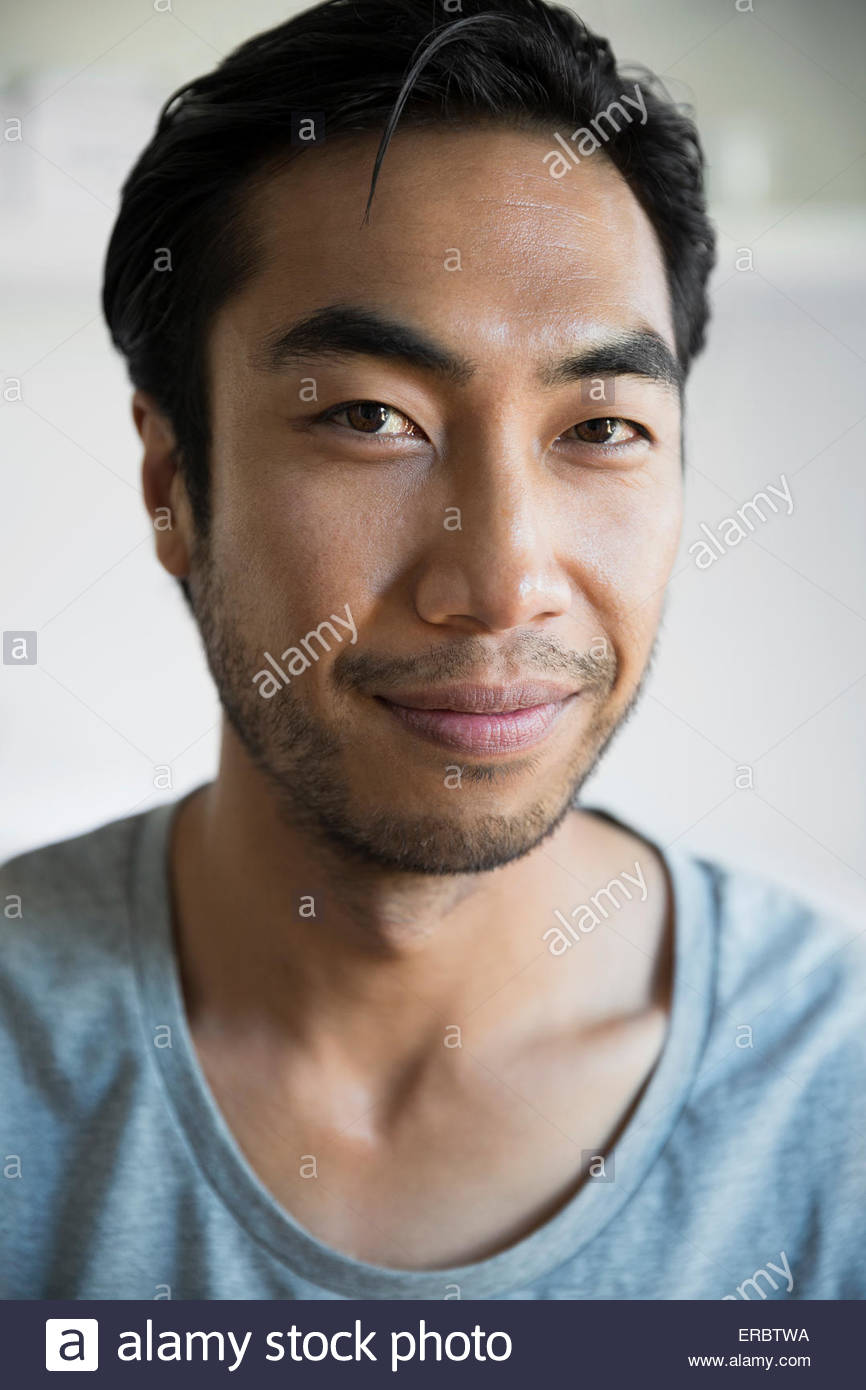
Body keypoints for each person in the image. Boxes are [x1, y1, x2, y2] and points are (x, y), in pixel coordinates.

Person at [1, 0, 863, 1301]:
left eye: (601, 426)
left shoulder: (833, 1092)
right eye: (369, 416)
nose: (502, 582)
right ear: (173, 479)